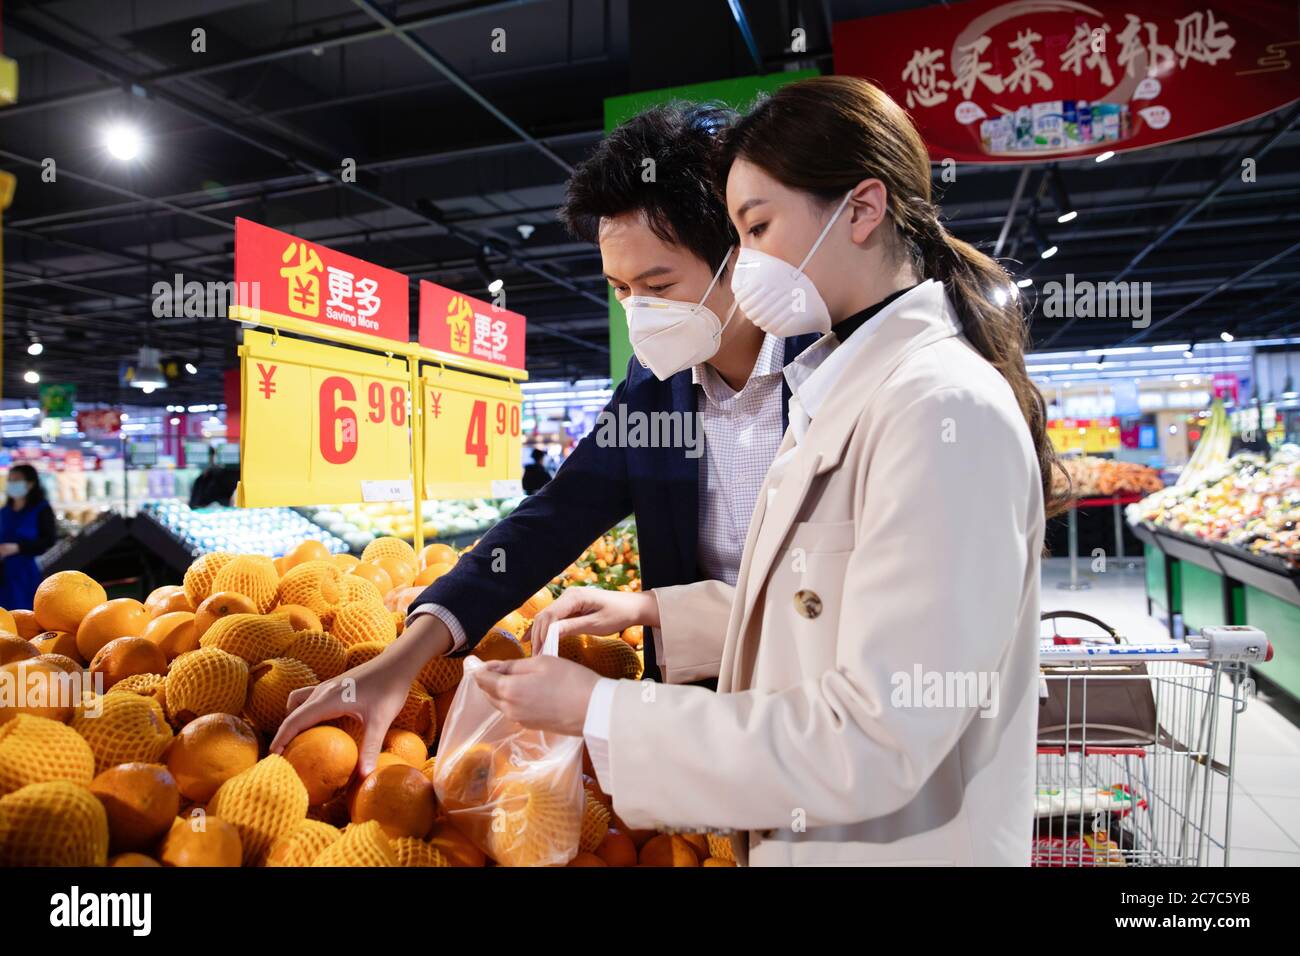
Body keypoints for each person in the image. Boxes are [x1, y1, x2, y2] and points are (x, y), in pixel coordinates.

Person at [470, 76, 1066, 866]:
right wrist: (652, 612)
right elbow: (812, 615)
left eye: (754, 228)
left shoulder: (939, 412)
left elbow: (878, 736)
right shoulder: (842, 387)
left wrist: (606, 708)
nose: (744, 264)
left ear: (861, 209)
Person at [271, 103, 817, 772]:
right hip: (704, 712)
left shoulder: (833, 372)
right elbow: (554, 517)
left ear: (741, 258)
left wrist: (647, 608)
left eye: (658, 284)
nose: (638, 311)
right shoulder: (655, 386)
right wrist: (402, 658)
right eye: (619, 288)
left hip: (832, 705)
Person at [0, 464, 59, 611]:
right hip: (2, 573)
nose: (12, 483)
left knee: (24, 615)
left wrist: (18, 547)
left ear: (30, 483)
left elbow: (49, 539)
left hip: (25, 573)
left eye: (17, 479)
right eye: (10, 480)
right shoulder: (4, 511)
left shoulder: (41, 509)